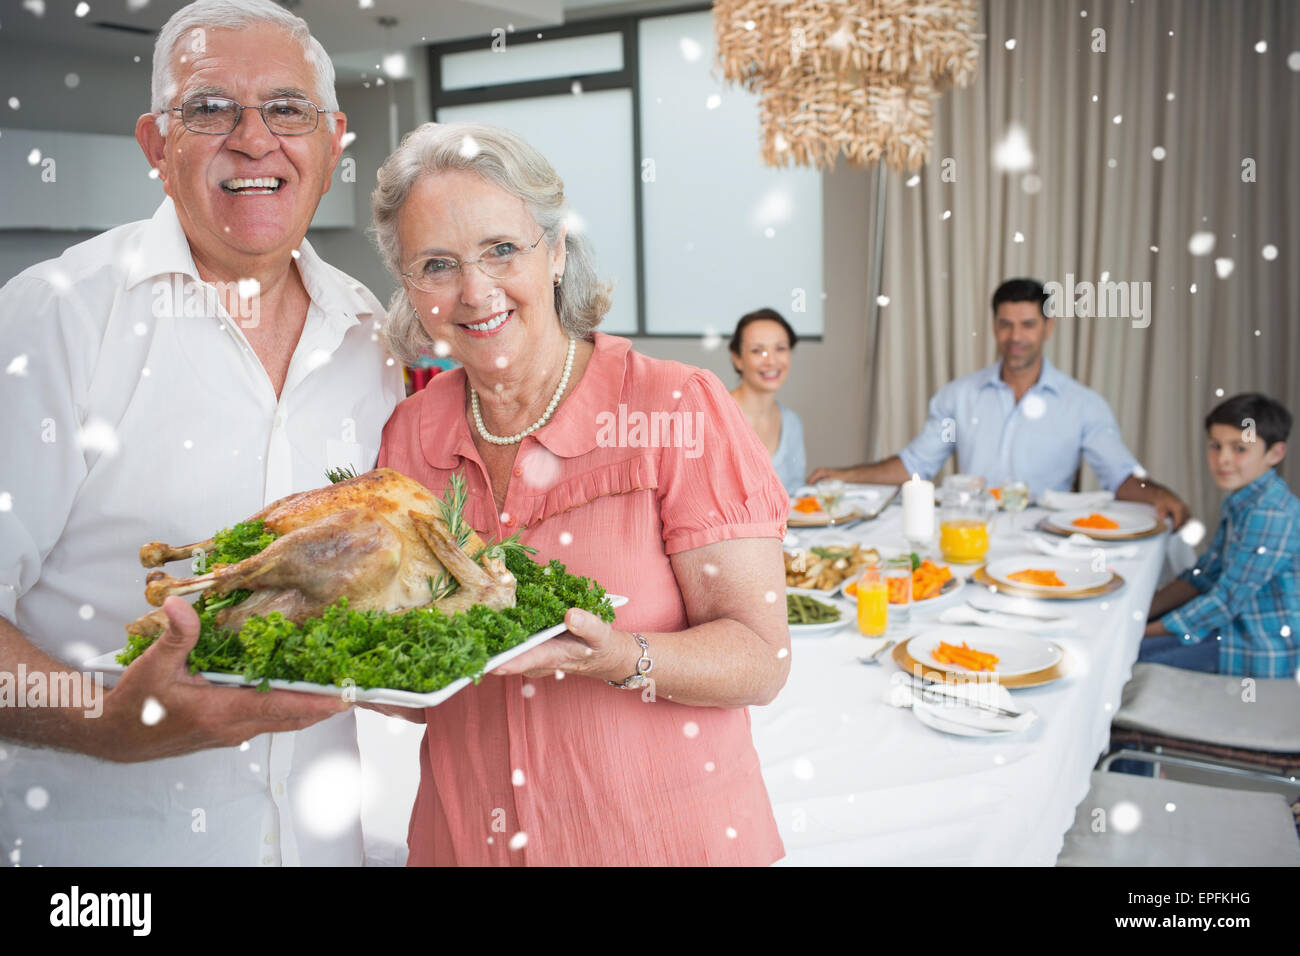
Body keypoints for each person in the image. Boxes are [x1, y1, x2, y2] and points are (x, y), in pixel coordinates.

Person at [0, 0, 404, 865]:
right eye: (210, 108)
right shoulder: (55, 317)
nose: (254, 140)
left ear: (333, 141)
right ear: (156, 145)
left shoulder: (370, 333)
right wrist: (105, 721)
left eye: (287, 109)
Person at [370, 122, 790, 866]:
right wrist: (314, 671)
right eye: (437, 265)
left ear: (557, 251)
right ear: (408, 285)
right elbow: (421, 679)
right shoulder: (411, 433)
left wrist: (619, 656)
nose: (476, 291)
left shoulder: (673, 408)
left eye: (503, 249)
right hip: (468, 842)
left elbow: (761, 659)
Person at [809, 278, 1190, 526]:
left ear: (1048, 327)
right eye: (1006, 324)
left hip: (1044, 537)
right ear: (994, 327)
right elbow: (916, 464)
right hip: (970, 530)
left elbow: (1119, 476)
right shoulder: (959, 397)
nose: (1015, 336)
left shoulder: (1083, 405)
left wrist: (1159, 494)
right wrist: (845, 474)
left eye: (1027, 325)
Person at [1142, 393, 1298, 676]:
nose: (1223, 459)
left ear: (1275, 454)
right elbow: (1204, 575)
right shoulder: (1242, 501)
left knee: (1131, 659)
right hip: (1229, 627)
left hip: (1255, 646)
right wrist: (1141, 611)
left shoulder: (1271, 514)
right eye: (1215, 446)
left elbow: (1225, 601)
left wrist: (1139, 631)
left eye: (1239, 449)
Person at [728, 308, 807, 495]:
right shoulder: (715, 418)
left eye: (780, 348)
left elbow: (795, 495)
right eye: (758, 350)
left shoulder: (791, 422)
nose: (771, 361)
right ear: (737, 359)